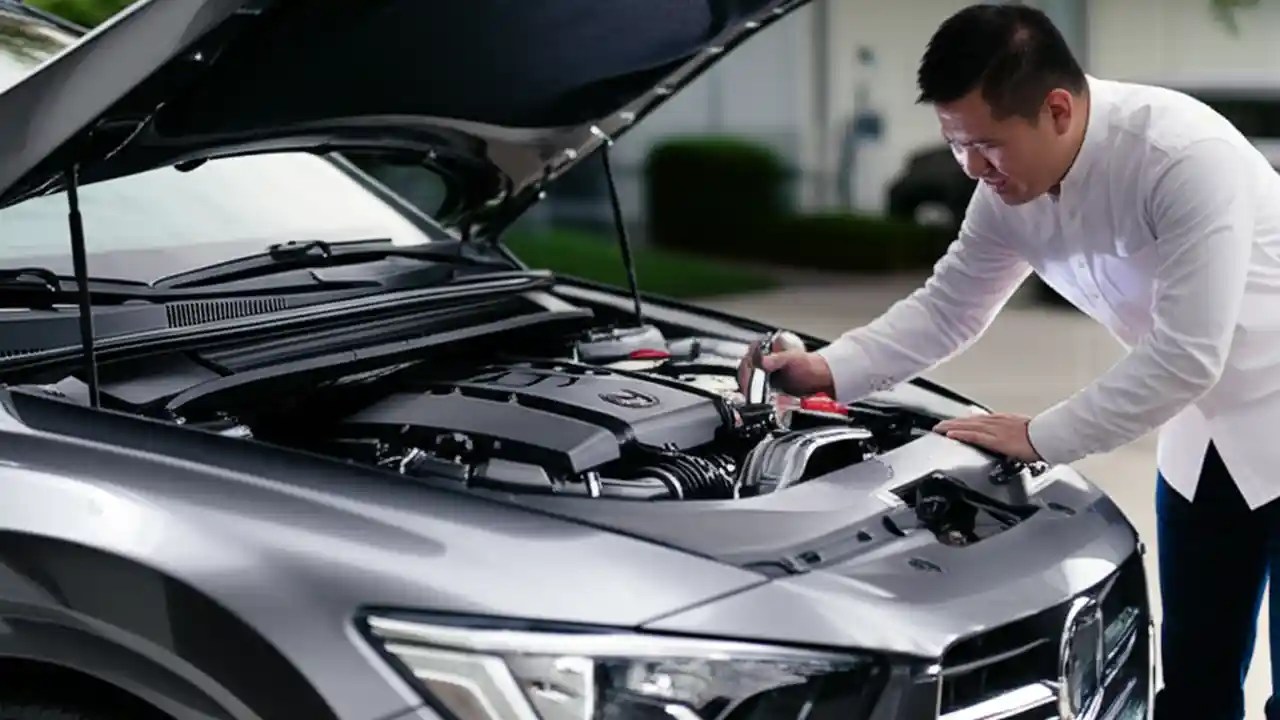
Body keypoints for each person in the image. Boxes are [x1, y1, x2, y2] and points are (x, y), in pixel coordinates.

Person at [739, 4, 1280, 718]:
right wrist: (829, 369)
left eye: (986, 145)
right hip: (1202, 442)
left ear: (1057, 110)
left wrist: (1040, 436)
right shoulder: (1006, 190)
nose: (971, 167)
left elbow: (1185, 354)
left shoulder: (1182, 157)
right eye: (955, 143)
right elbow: (950, 306)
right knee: (1192, 691)